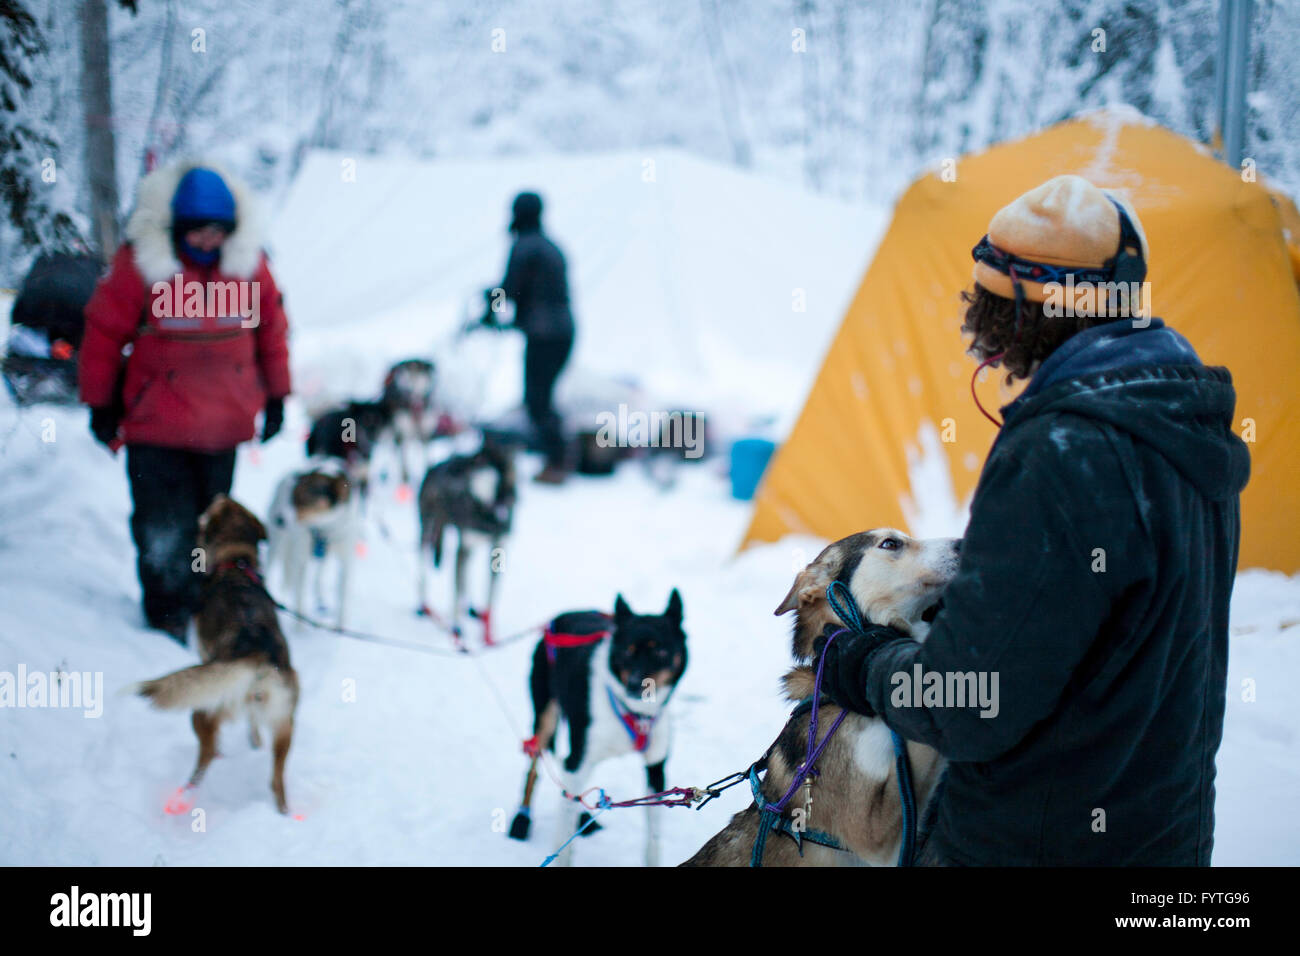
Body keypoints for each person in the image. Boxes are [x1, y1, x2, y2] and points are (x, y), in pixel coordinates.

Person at [813, 175, 1249, 865]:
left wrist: (862, 667)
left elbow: (968, 702)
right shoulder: (1185, 425)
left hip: (1037, 844)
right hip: (1165, 841)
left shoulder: (1057, 453)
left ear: (1015, 311)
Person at [79, 162, 290, 643]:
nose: (209, 241)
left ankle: (205, 604)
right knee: (162, 525)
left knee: (208, 525)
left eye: (219, 231)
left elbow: (272, 334)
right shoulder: (142, 267)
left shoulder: (251, 270)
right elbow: (103, 335)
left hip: (220, 429)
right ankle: (165, 614)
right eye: (199, 231)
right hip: (157, 429)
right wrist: (101, 403)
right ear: (177, 228)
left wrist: (277, 396)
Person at [483, 191, 574, 485]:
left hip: (543, 334)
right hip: (562, 332)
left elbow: (508, 288)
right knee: (543, 398)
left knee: (537, 400)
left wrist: (490, 309)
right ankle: (559, 457)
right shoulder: (551, 246)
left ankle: (559, 461)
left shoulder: (524, 246)